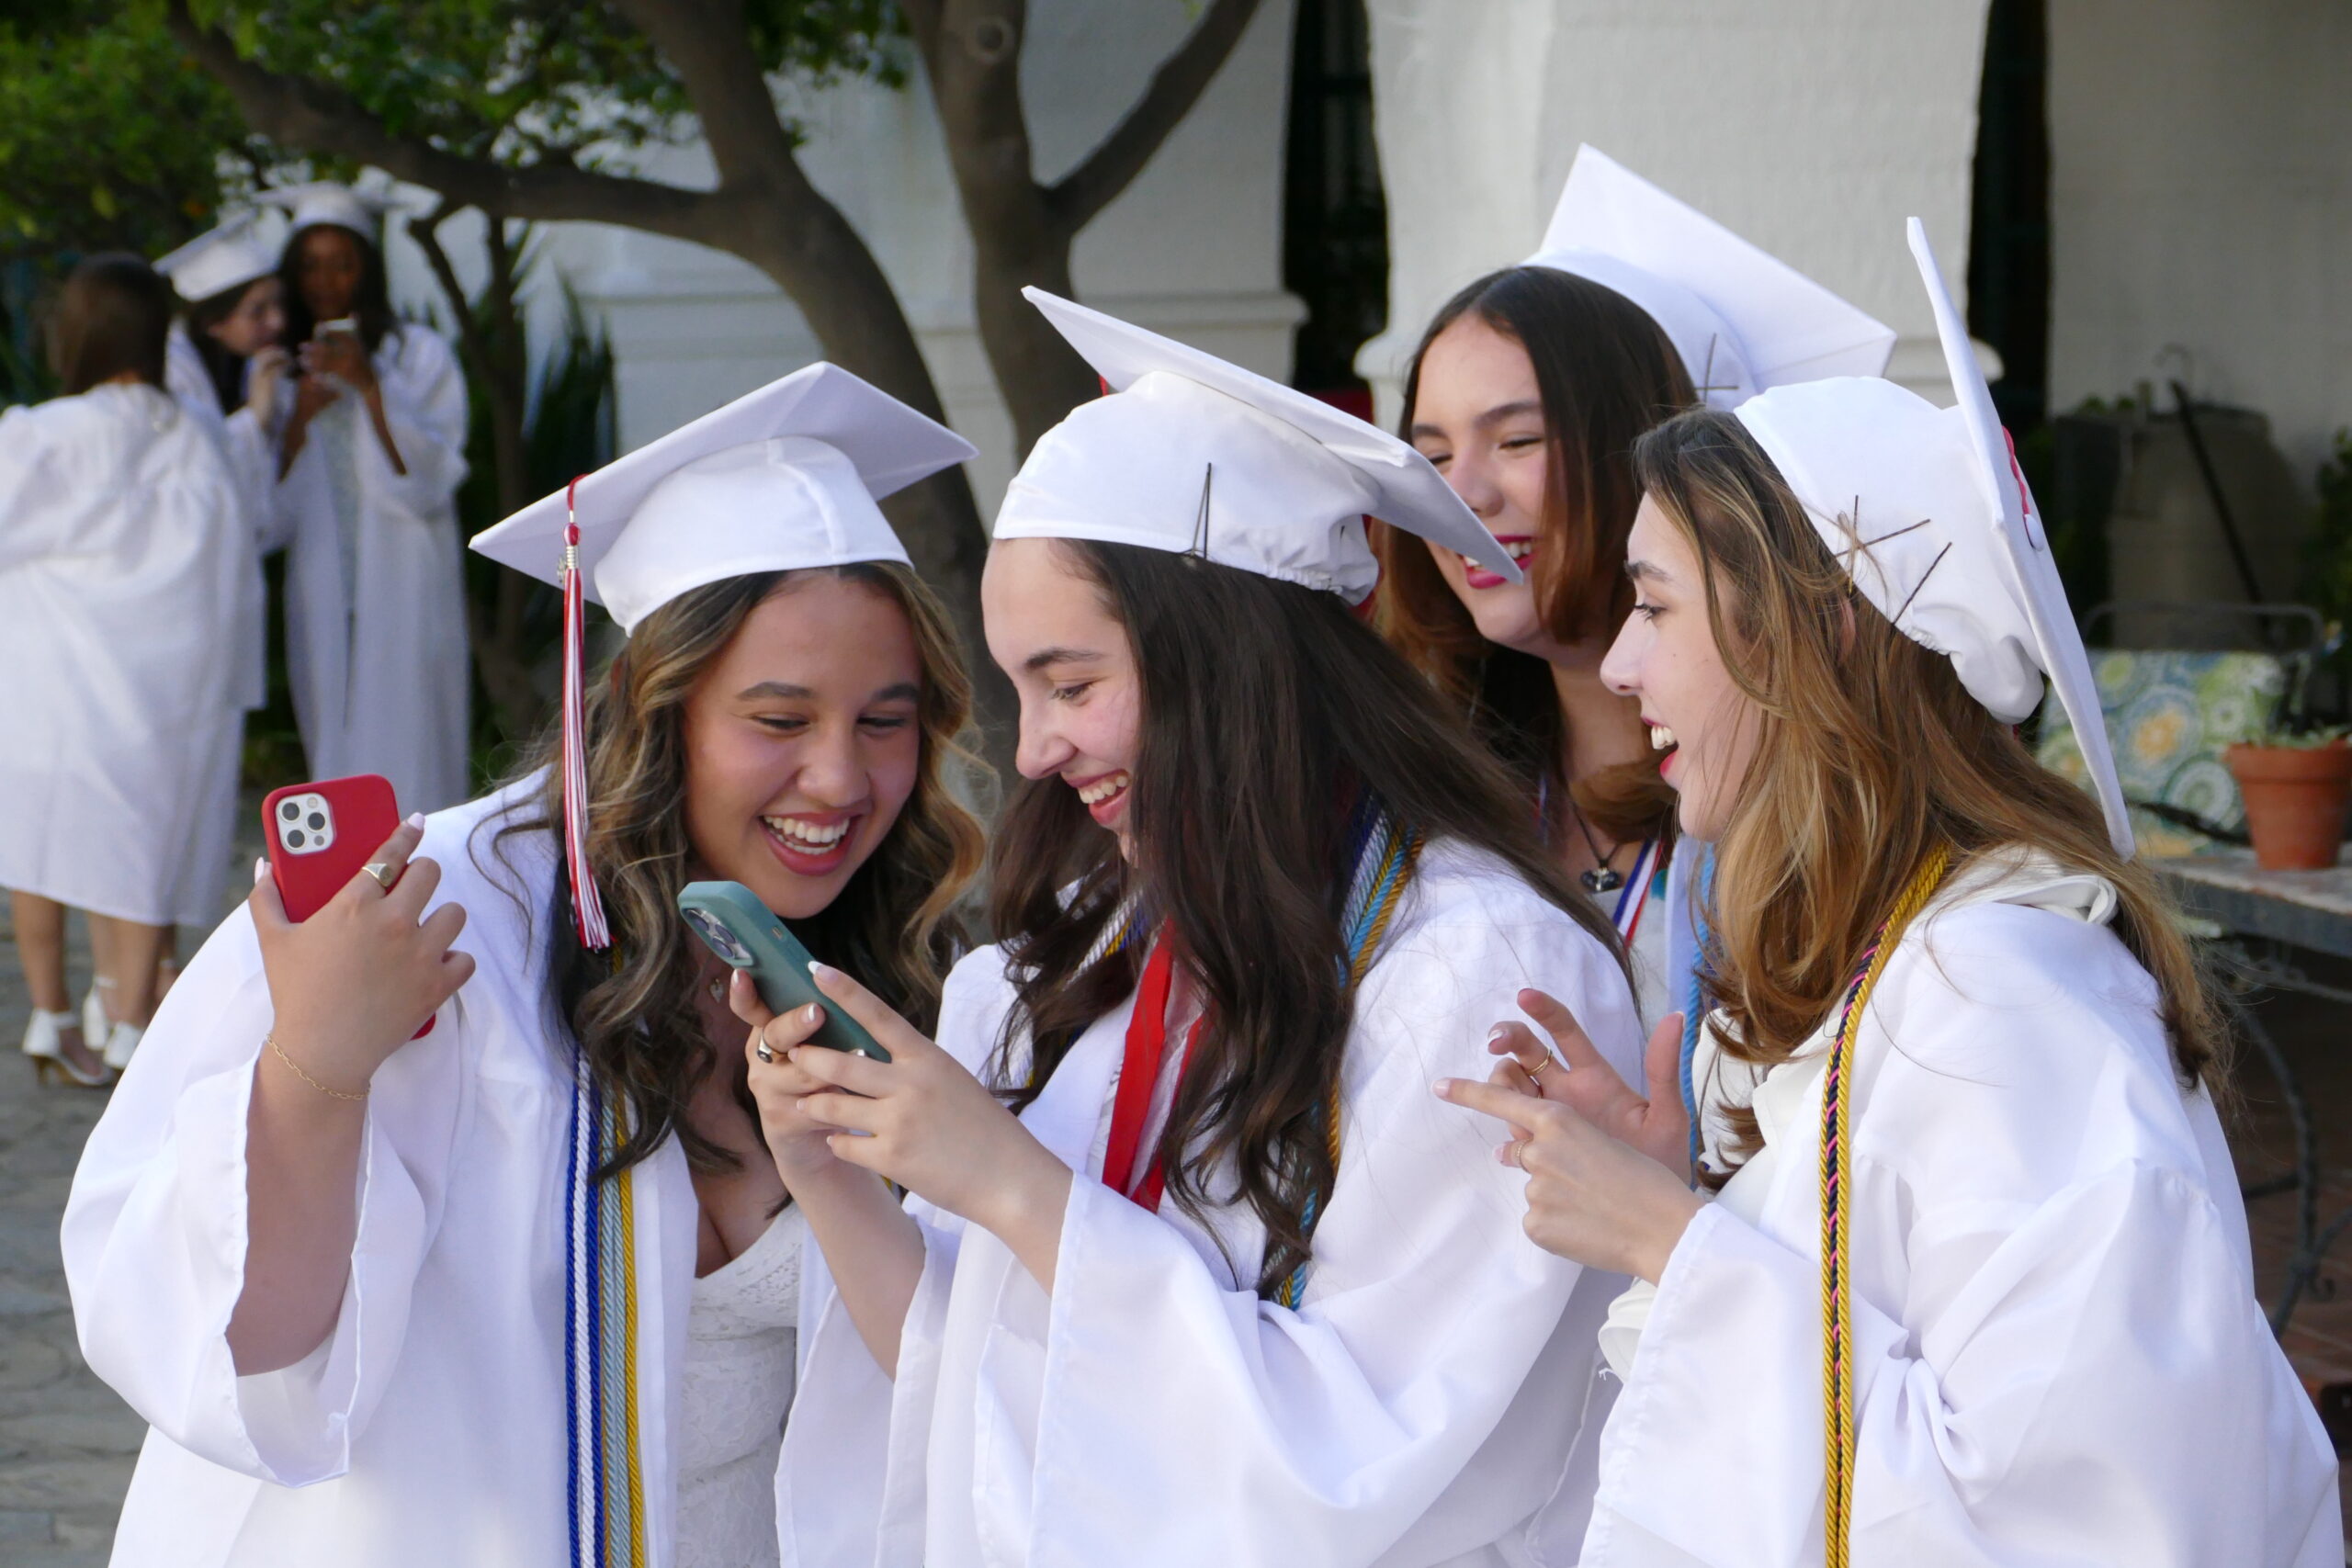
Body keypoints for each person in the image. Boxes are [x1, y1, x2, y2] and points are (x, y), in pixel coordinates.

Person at [1439, 224, 2339, 1565]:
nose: (1621, 662)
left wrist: (1679, 1243)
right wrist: (1681, 1180)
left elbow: (2094, 1506)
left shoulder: (2007, 997)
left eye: (1660, 604)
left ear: (1827, 626)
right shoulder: (1899, 950)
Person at [761, 289, 1644, 1567]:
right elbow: (977, 1399)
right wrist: (835, 1163)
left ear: (1229, 666)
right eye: (1021, 690)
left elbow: (1375, 1459)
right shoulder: (1111, 945)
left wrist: (1009, 1180)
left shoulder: (1479, 967)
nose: (1038, 749)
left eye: (1072, 683)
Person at [62, 365, 987, 1566]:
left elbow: (970, 1381)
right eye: (778, 717)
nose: (840, 778)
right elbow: (243, 1348)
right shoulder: (427, 912)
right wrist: (319, 1061)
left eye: (883, 718)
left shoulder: (913, 967)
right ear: (648, 709)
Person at [1382, 145, 1894, 1030]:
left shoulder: (1812, 814)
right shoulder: (1425, 786)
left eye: (1517, 442)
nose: (1460, 496)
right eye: (1430, 456)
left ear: (1649, 462)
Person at [0, 254, 244, 1084]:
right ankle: (131, 1021)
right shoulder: (193, 443)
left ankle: (53, 1010)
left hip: (48, 683)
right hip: (154, 686)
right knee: (139, 847)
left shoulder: (44, 434)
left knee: (38, 846)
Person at [259, 181, 471, 814]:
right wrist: (298, 418)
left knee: (411, 727)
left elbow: (430, 479)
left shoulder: (417, 354)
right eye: (311, 265)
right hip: (323, 580)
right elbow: (265, 510)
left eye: (343, 263)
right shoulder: (281, 367)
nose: (327, 281)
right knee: (331, 720)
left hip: (403, 577)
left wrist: (371, 389)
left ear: (368, 268)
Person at [143, 215, 294, 1029]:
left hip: (214, 624)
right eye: (258, 310)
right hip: (174, 632)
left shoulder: (216, 378)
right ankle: (143, 982)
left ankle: (157, 972)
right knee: (171, 802)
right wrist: (257, 417)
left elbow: (260, 521)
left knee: (195, 801)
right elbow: (207, 496)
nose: (275, 326)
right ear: (213, 318)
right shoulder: (173, 384)